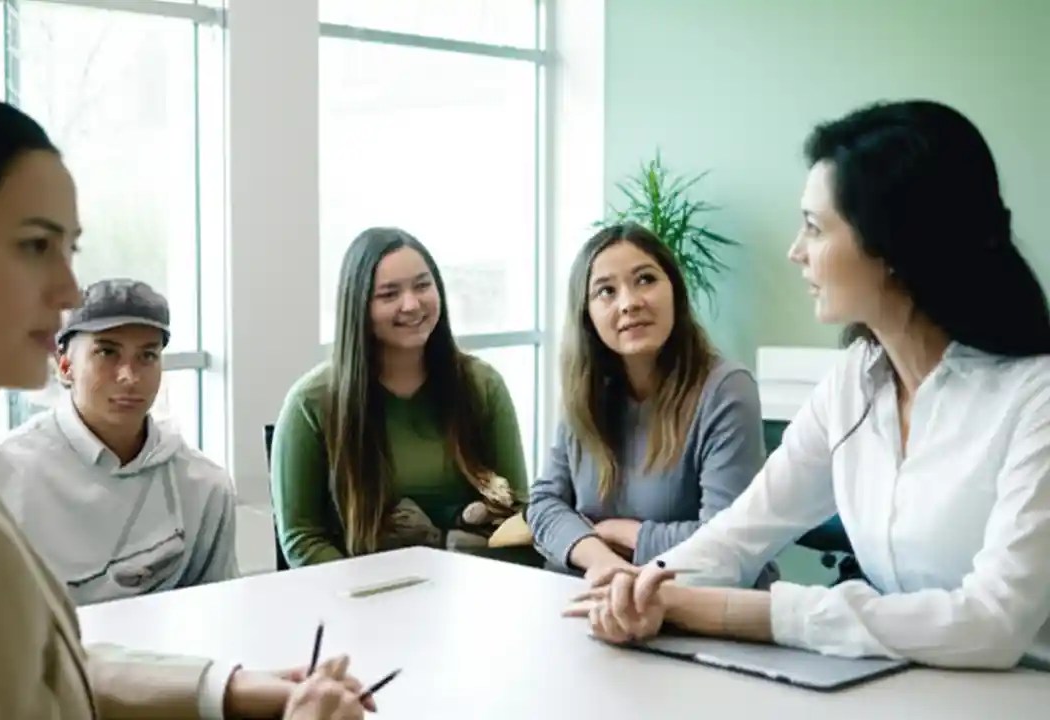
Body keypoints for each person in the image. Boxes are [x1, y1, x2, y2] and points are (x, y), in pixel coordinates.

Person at [0, 93, 371, 718]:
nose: (68, 289)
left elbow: (26, 657)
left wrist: (226, 688)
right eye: (35, 246)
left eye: (69, 249)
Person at [567, 99, 1050, 671]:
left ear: (892, 246)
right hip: (904, 686)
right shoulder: (853, 382)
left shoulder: (1034, 398)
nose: (795, 251)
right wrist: (646, 589)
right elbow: (743, 531)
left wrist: (731, 612)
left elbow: (992, 625)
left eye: (815, 228)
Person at [271, 227, 529, 567]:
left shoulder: (482, 385)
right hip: (355, 597)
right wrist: (365, 596)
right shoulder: (311, 403)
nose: (412, 304)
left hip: (469, 590)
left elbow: (519, 512)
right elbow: (302, 539)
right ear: (358, 305)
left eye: (423, 285)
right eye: (389, 294)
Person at [527, 223, 766, 584]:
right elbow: (544, 502)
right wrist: (602, 560)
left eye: (645, 280)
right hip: (596, 595)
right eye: (606, 291)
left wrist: (627, 534)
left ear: (675, 291)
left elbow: (727, 540)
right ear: (587, 315)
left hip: (700, 603)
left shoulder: (726, 390)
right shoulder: (585, 391)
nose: (629, 303)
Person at [0, 278, 238, 606]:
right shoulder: (4, 476)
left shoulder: (204, 487)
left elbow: (219, 612)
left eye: (147, 356)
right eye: (107, 352)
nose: (129, 376)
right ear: (65, 366)